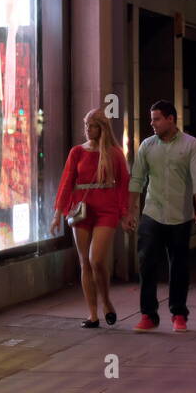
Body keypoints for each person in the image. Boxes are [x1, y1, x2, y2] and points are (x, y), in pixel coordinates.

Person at [123, 100, 196, 333]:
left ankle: (178, 313)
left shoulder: (191, 145)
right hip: (152, 213)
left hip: (180, 215)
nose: (152, 124)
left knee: (179, 266)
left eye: (157, 119)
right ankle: (148, 315)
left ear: (171, 119)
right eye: (151, 119)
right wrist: (129, 211)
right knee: (146, 263)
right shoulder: (147, 146)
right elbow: (137, 179)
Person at [50, 108, 130, 328]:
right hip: (81, 209)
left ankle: (106, 302)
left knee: (97, 260)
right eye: (85, 125)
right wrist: (58, 214)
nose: (87, 130)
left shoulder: (114, 153)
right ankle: (92, 314)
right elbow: (66, 182)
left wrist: (125, 213)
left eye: (91, 125)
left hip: (106, 210)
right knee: (84, 261)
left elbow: (124, 184)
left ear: (102, 127)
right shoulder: (77, 152)